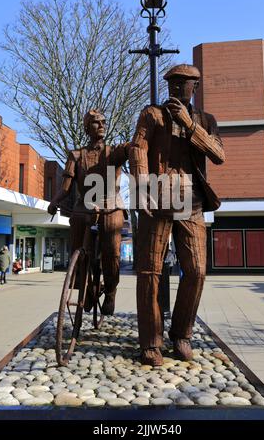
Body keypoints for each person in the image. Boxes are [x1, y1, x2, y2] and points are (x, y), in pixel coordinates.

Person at [129, 64, 225, 366]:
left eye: (182, 84)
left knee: (196, 271)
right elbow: (138, 147)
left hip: (192, 201)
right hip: (157, 197)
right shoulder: (151, 114)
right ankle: (150, 342)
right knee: (149, 272)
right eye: (171, 83)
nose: (175, 88)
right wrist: (142, 182)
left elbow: (218, 155)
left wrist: (190, 126)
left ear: (194, 87)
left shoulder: (206, 120)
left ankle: (181, 334)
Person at [48, 110, 129, 315]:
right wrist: (55, 201)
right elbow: (66, 186)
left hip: (111, 205)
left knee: (111, 247)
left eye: (103, 121)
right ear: (86, 128)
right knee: (76, 233)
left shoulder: (113, 152)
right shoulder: (75, 155)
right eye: (95, 123)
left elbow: (129, 150)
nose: (101, 125)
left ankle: (110, 289)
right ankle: (85, 287)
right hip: (84, 205)